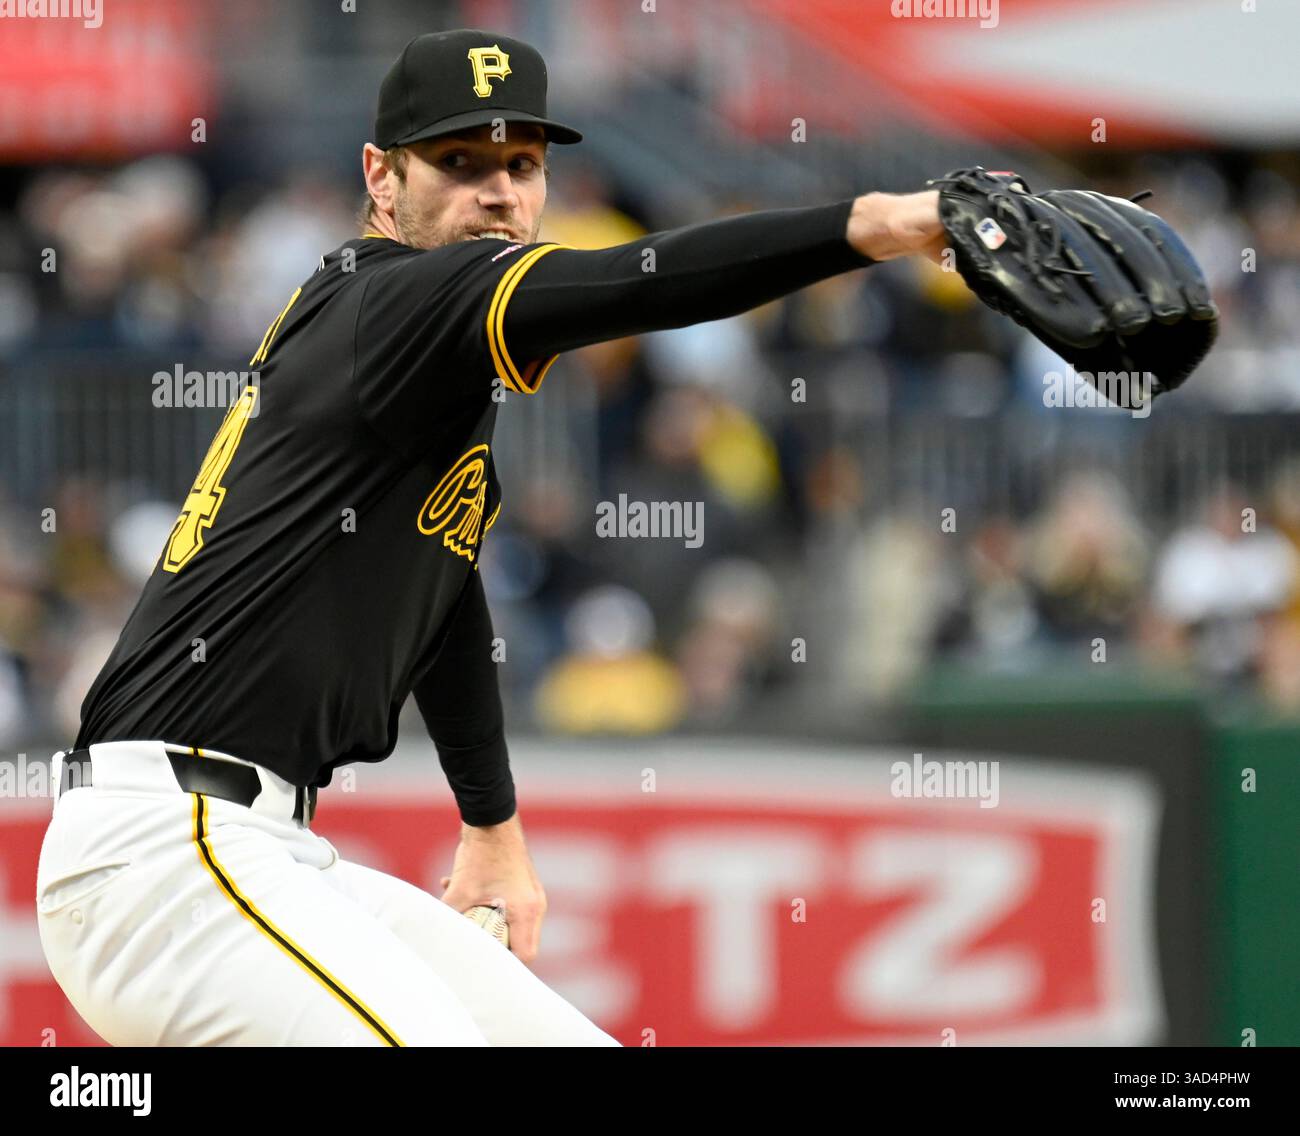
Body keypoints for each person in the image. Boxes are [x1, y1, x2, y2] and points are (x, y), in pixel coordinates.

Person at [34, 27, 948, 1046]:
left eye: (521, 165)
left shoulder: (413, 363)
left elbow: (443, 578)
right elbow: (640, 278)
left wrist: (492, 825)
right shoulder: (394, 299)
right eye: (458, 163)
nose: (498, 194)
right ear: (381, 176)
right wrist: (879, 221)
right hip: (170, 857)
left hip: (256, 851)